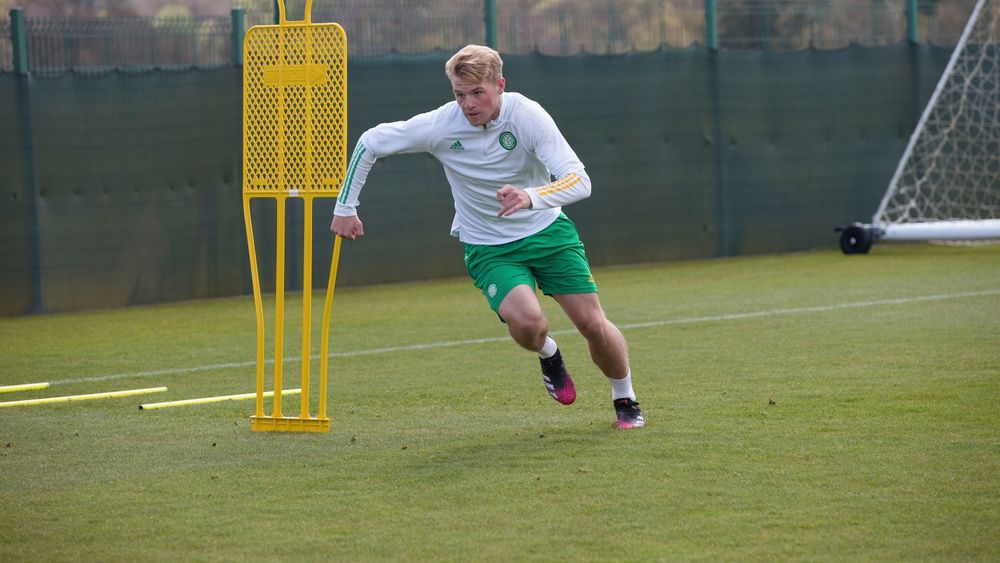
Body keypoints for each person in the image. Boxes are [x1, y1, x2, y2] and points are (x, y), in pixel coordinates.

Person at [330, 45, 644, 429]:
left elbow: (580, 181)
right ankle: (549, 354)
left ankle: (624, 396)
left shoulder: (527, 115)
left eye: (477, 92)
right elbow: (370, 142)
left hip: (547, 232)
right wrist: (345, 207)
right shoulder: (441, 125)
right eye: (460, 94)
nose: (468, 104)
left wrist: (531, 196)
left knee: (593, 324)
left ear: (500, 85)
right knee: (530, 325)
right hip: (489, 247)